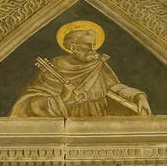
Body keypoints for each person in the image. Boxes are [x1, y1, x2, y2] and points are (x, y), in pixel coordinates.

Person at [10, 20, 151, 117]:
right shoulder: (52, 68)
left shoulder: (97, 64)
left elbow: (114, 87)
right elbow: (30, 104)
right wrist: (63, 98)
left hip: (98, 117)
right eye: (87, 45)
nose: (93, 49)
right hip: (68, 118)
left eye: (93, 45)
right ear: (72, 48)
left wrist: (137, 96)